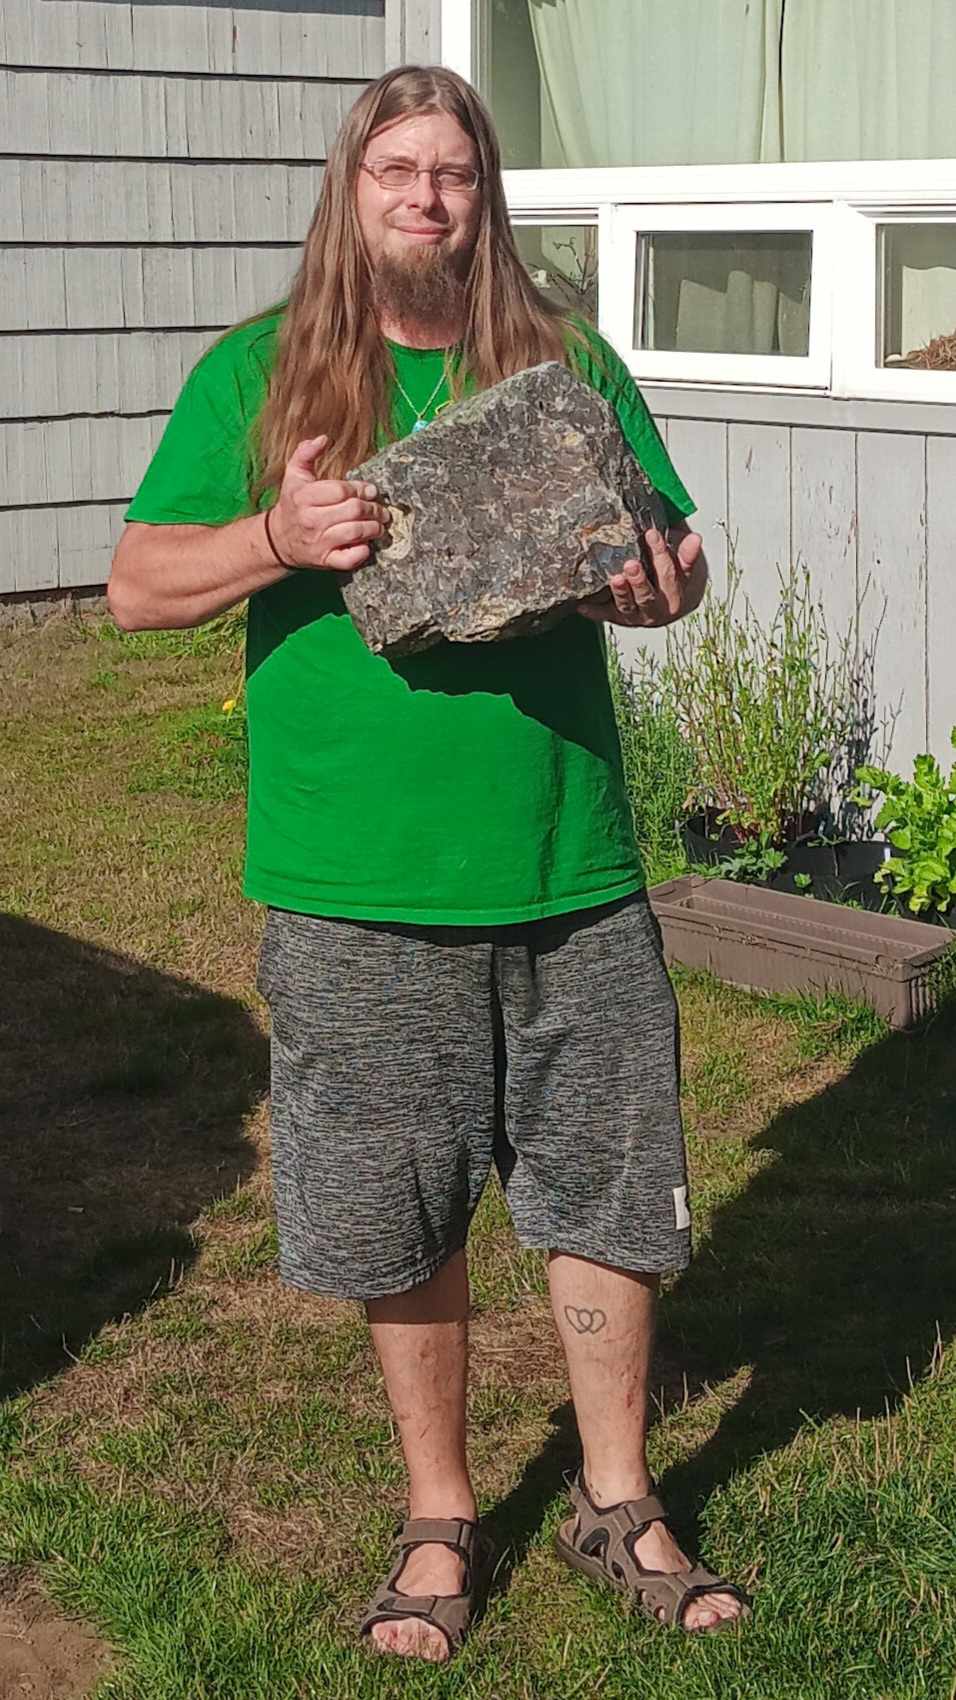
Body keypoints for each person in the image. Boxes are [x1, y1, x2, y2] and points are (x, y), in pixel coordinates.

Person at [108, 63, 749, 1664]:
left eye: (455, 169)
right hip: (353, 883)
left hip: (569, 864)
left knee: (606, 1188)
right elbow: (134, 584)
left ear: (487, 193)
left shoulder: (563, 361)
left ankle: (616, 1497)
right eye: (398, 167)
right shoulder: (263, 375)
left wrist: (659, 582)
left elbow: (669, 548)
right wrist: (282, 540)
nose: (428, 196)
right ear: (353, 186)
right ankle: (442, 1518)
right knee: (398, 1204)